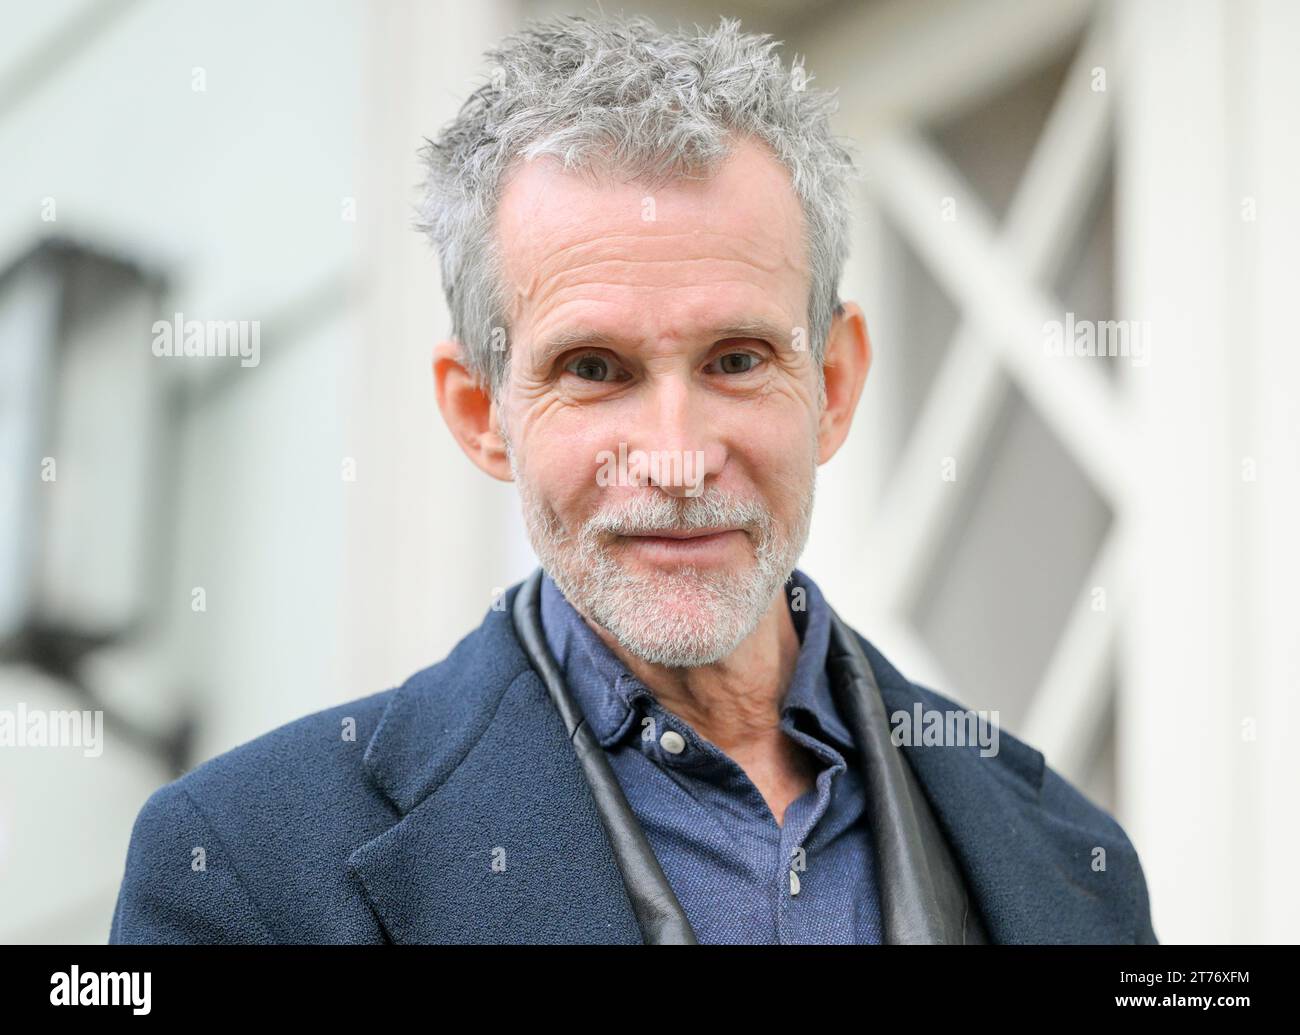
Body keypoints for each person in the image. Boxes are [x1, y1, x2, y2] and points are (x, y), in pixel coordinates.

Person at [110, 13, 1157, 945]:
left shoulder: (1070, 858)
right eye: (594, 370)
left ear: (832, 385)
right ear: (482, 414)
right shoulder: (245, 872)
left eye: (737, 360)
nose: (675, 455)